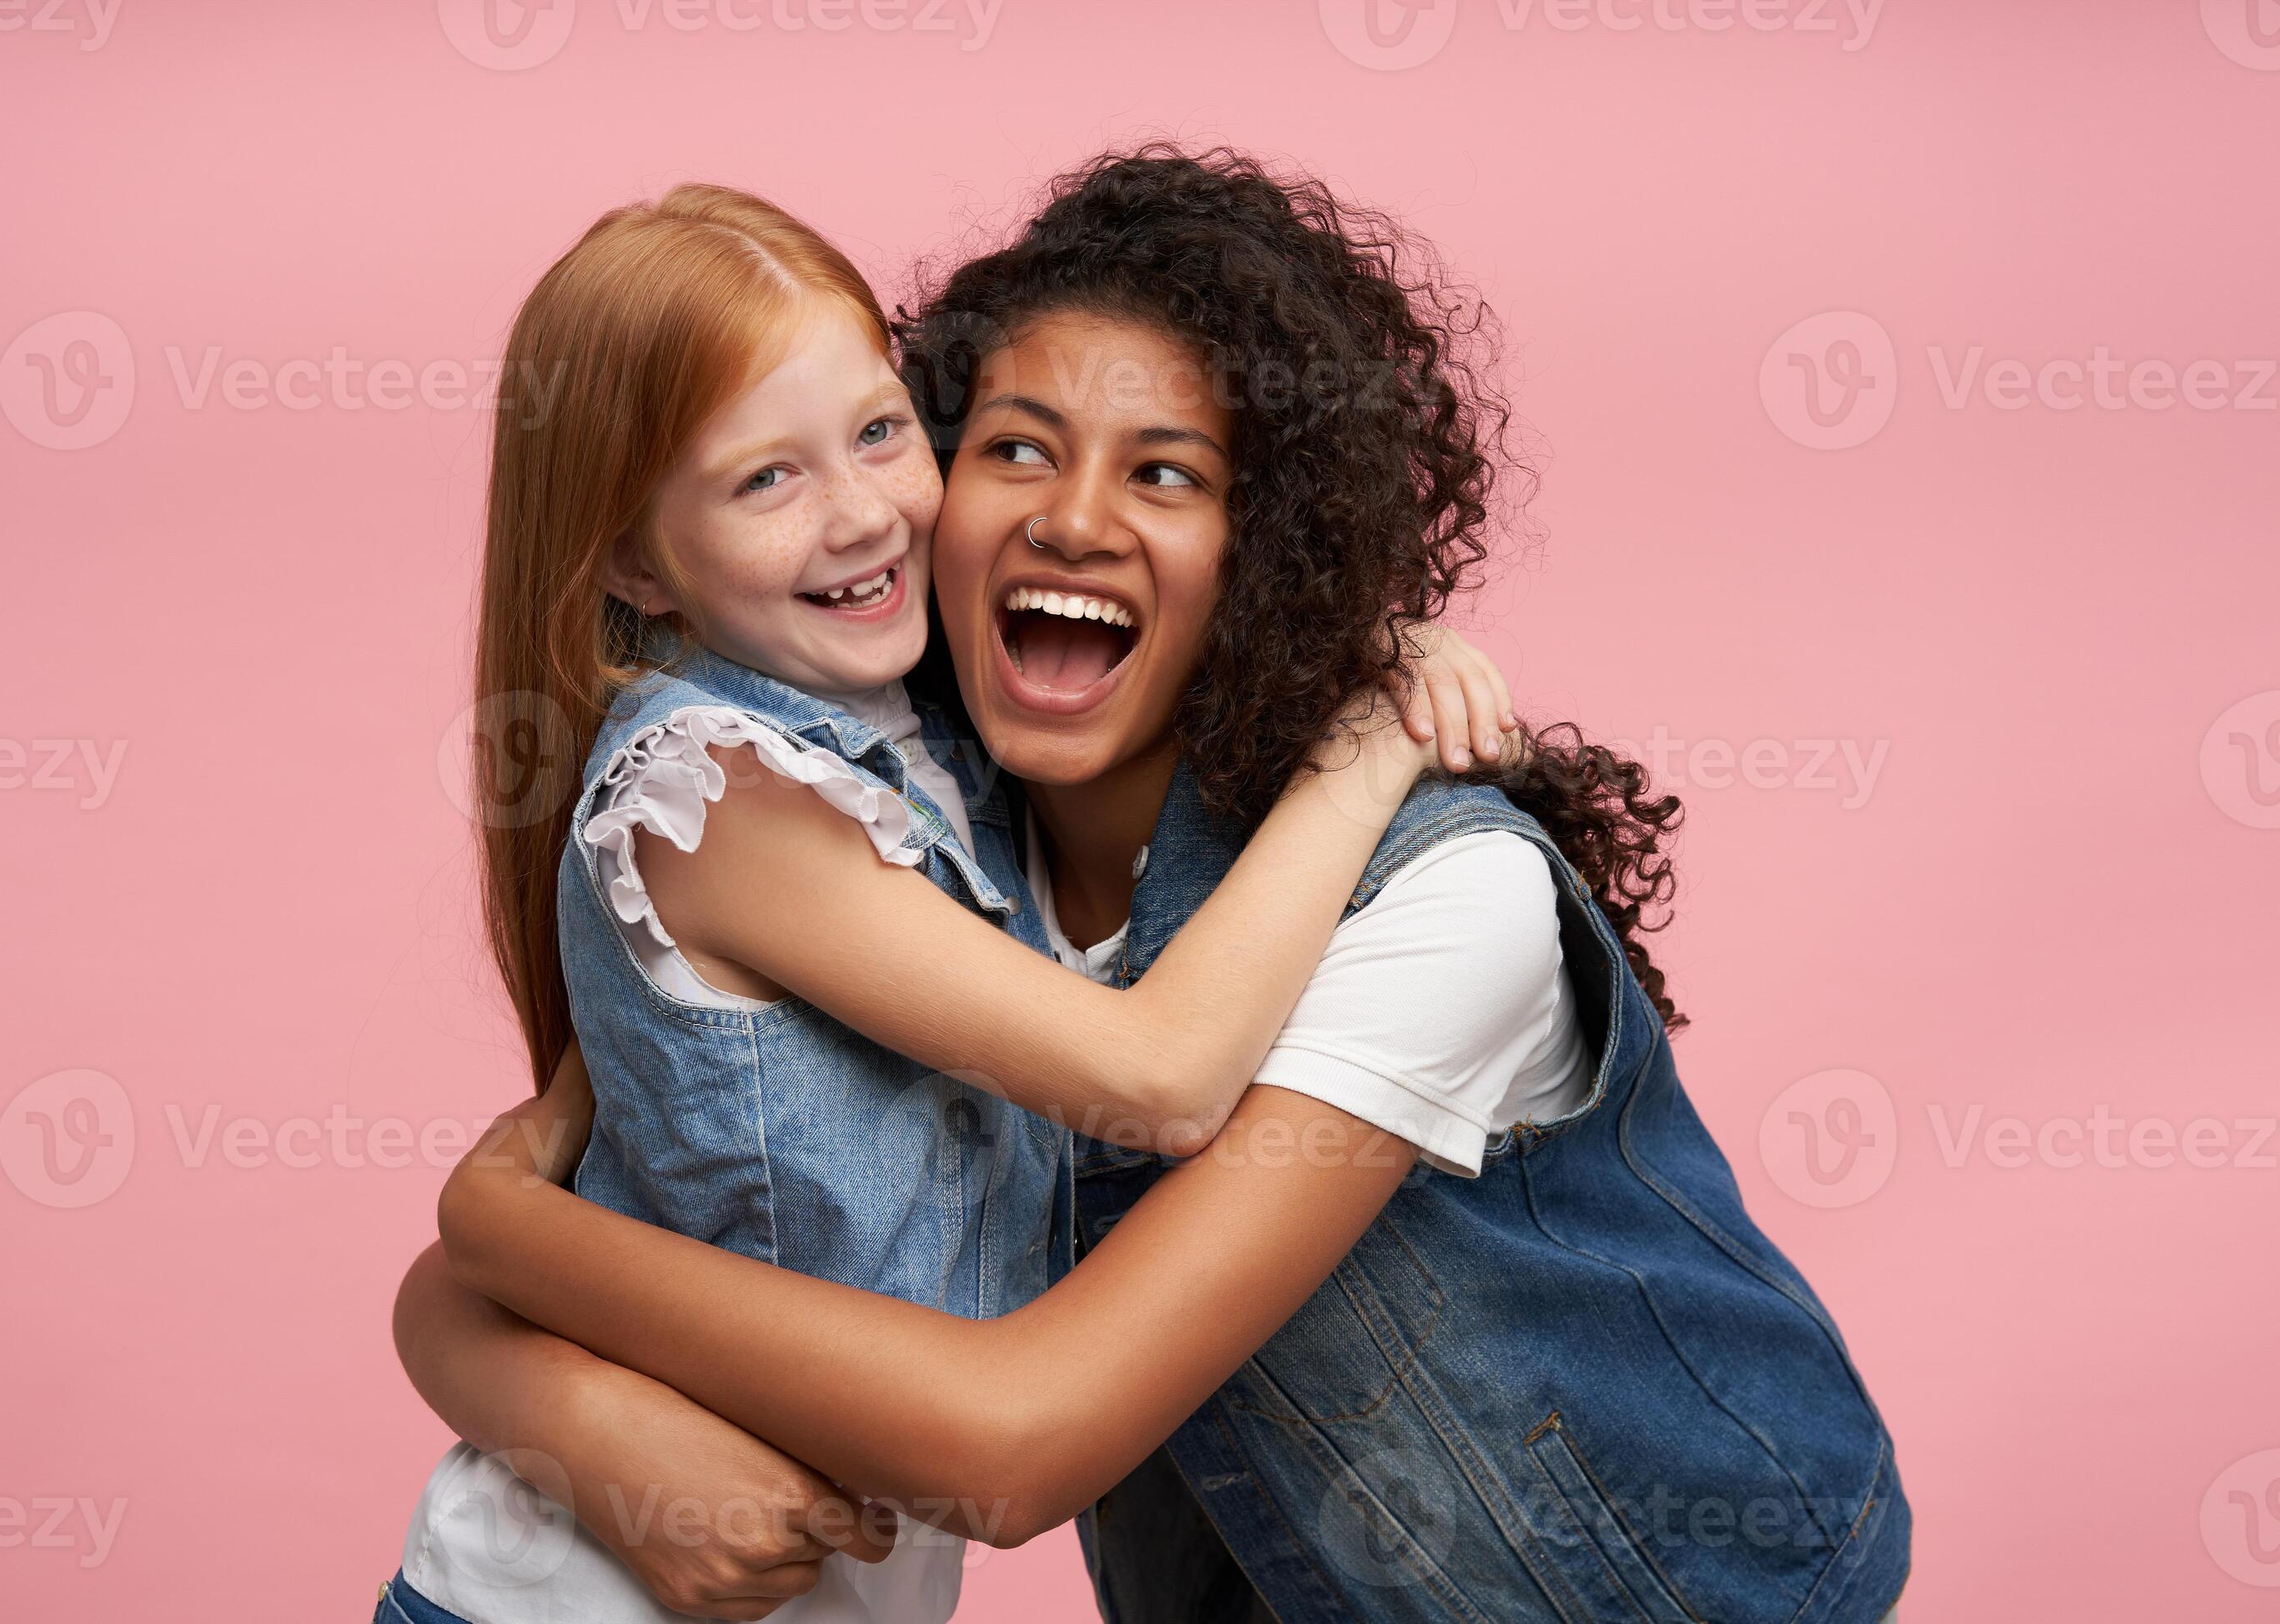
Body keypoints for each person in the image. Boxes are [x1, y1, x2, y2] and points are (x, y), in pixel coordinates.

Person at [409, 149, 1911, 1624]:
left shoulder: (1450, 904)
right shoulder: (899, 818)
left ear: (1269, 549)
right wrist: (555, 1370)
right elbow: (549, 1235)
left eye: (1167, 475)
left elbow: (1015, 1444)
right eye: (1014, 446)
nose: (1069, 520)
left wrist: (503, 1240)